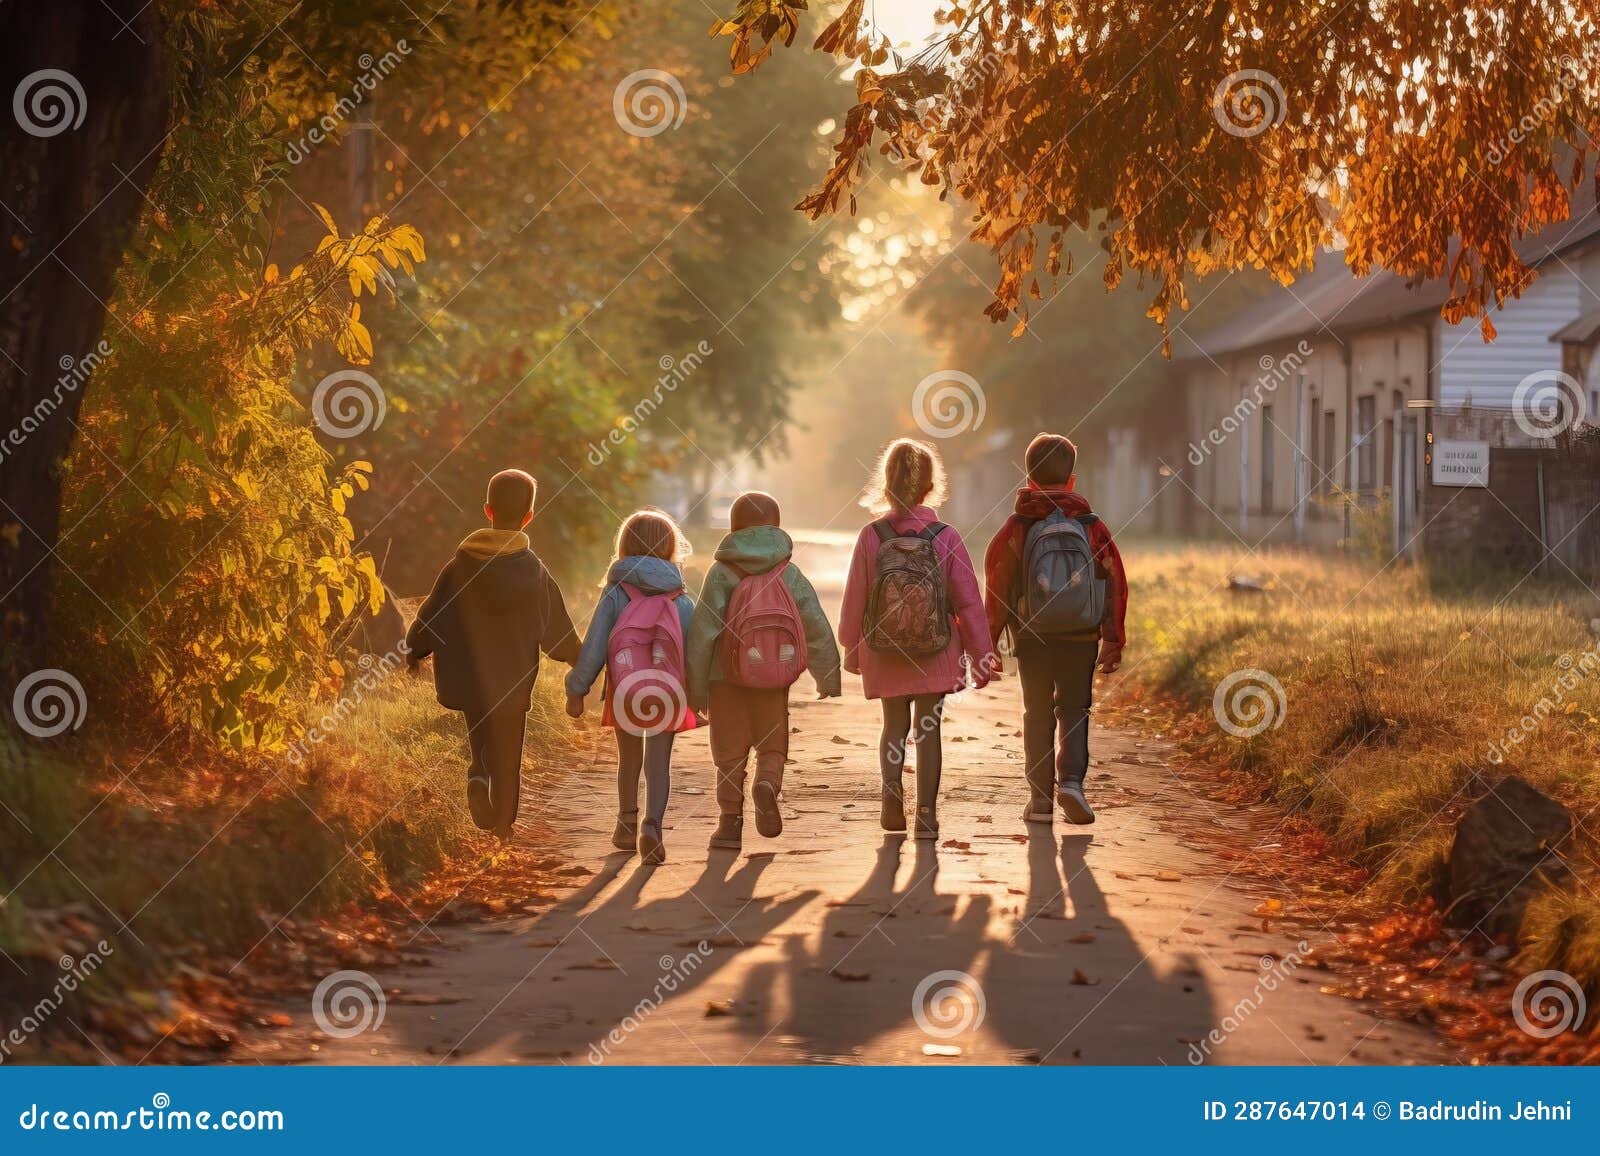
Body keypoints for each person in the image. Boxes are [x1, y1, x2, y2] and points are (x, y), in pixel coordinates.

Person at [406, 468, 579, 841]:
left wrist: (414, 649)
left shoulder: (459, 566)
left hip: (468, 677)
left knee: (480, 733)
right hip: (514, 678)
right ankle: (503, 825)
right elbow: (555, 627)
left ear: (488, 511)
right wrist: (577, 657)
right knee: (509, 750)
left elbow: (432, 614)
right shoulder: (534, 570)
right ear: (529, 517)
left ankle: (478, 774)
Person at [839, 438, 998, 840]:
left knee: (893, 725)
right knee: (929, 730)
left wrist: (851, 647)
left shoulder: (871, 536)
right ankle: (926, 812)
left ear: (886, 483)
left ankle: (892, 793)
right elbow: (968, 602)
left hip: (884, 650)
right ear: (931, 486)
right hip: (935, 650)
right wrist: (981, 655)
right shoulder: (946, 536)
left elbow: (856, 595)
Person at [982, 433, 1128, 825]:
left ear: (1028, 481)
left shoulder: (1018, 527)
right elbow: (1115, 581)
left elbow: (997, 582)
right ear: (1072, 481)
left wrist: (989, 642)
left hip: (1033, 635)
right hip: (1082, 635)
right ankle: (1073, 784)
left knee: (1037, 712)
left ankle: (1040, 798)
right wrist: (1113, 638)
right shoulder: (1092, 526)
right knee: (1075, 709)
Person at [685, 491, 842, 851]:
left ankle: (729, 823)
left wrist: (695, 689)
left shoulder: (722, 572)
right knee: (772, 745)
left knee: (728, 753)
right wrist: (827, 674)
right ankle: (768, 784)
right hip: (773, 679)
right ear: (777, 527)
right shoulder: (789, 572)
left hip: (724, 679)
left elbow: (703, 632)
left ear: (733, 527)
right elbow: (815, 624)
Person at [566, 509, 696, 865]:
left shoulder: (616, 592)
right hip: (666, 693)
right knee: (659, 763)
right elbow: (695, 651)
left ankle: (626, 822)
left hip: (625, 690)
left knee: (628, 760)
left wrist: (577, 688)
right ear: (671, 548)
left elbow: (594, 644)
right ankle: (651, 826)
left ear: (624, 545)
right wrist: (699, 696)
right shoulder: (680, 597)